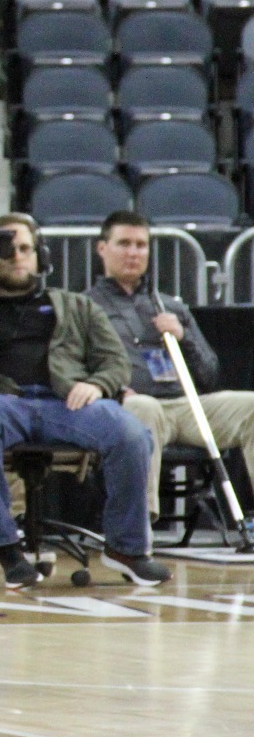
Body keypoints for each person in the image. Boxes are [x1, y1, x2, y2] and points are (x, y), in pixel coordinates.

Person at [0, 213, 169, 587]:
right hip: (2, 403)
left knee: (130, 431)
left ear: (40, 256)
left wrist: (97, 383)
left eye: (25, 248)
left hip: (65, 403)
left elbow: (115, 363)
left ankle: (127, 549)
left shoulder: (74, 306)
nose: (17, 256)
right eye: (6, 249)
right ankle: (7, 547)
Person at [88, 210, 254, 519]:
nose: (133, 252)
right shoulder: (85, 307)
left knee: (252, 406)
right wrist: (113, 392)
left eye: (141, 245)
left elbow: (208, 375)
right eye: (124, 243)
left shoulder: (170, 306)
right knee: (144, 409)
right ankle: (138, 528)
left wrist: (184, 335)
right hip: (127, 407)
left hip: (183, 406)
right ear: (102, 249)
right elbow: (75, 369)